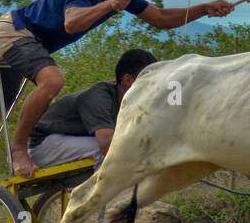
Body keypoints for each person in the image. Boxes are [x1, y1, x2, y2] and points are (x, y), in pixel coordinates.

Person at [0, 0, 233, 181]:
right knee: (53, 81)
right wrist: (110, 5)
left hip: (32, 41)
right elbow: (71, 22)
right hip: (16, 31)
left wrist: (204, 8)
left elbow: (160, 18)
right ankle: (19, 149)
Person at [27, 48, 158, 169]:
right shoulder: (100, 97)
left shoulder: (129, 100)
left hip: (65, 141)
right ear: (128, 80)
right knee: (111, 151)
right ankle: (104, 195)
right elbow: (106, 144)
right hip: (41, 145)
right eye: (149, 81)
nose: (154, 87)